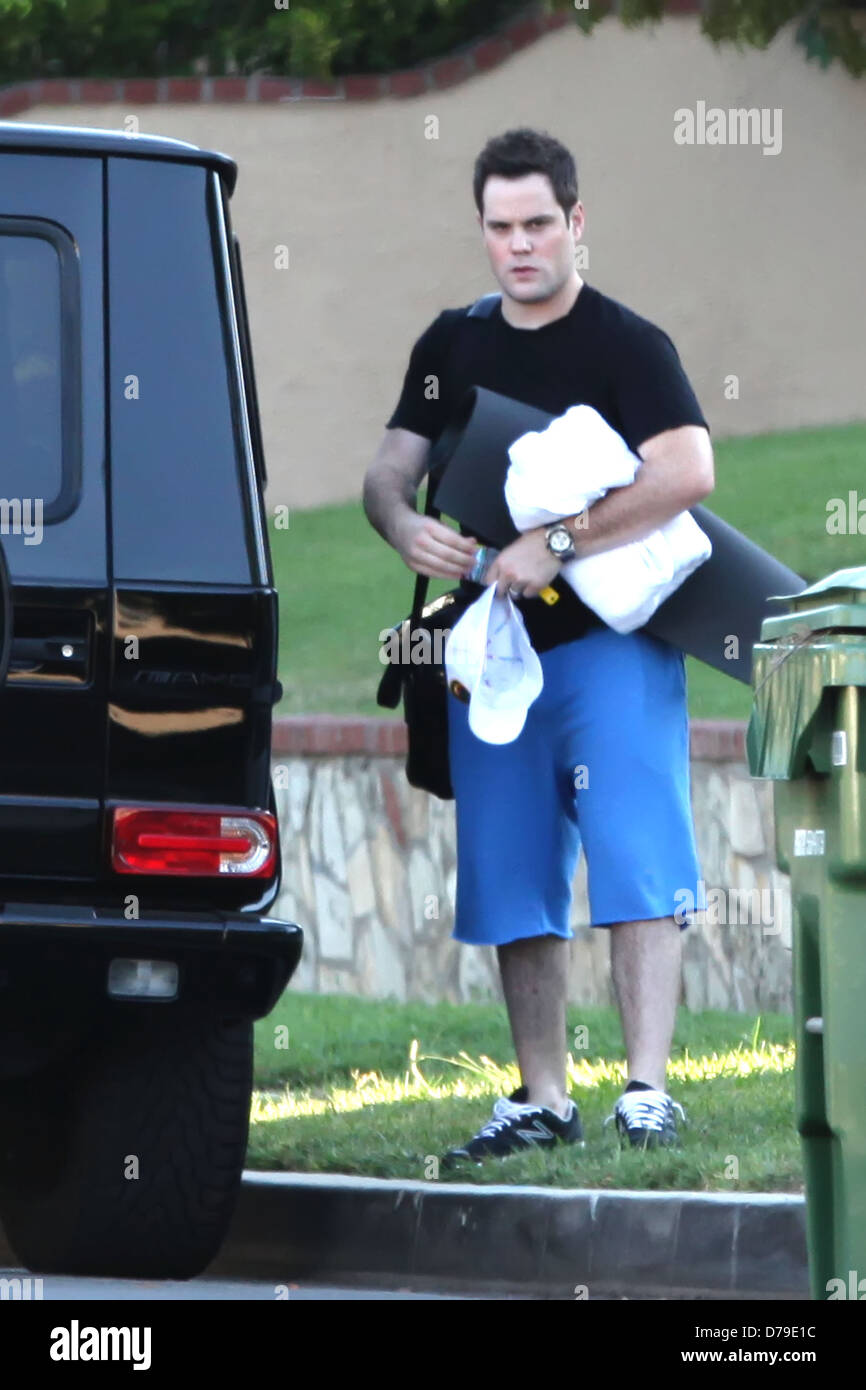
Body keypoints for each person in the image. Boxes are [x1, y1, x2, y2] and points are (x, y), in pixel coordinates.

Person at [362, 127, 714, 1165]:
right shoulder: (450, 345)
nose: (517, 246)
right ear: (480, 228)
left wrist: (554, 541)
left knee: (636, 863)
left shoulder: (623, 344)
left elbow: (687, 469)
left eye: (535, 225)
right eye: (498, 227)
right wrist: (399, 523)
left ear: (574, 222)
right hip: (488, 651)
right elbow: (387, 470)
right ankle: (541, 1096)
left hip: (612, 644)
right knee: (511, 873)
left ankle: (645, 1090)